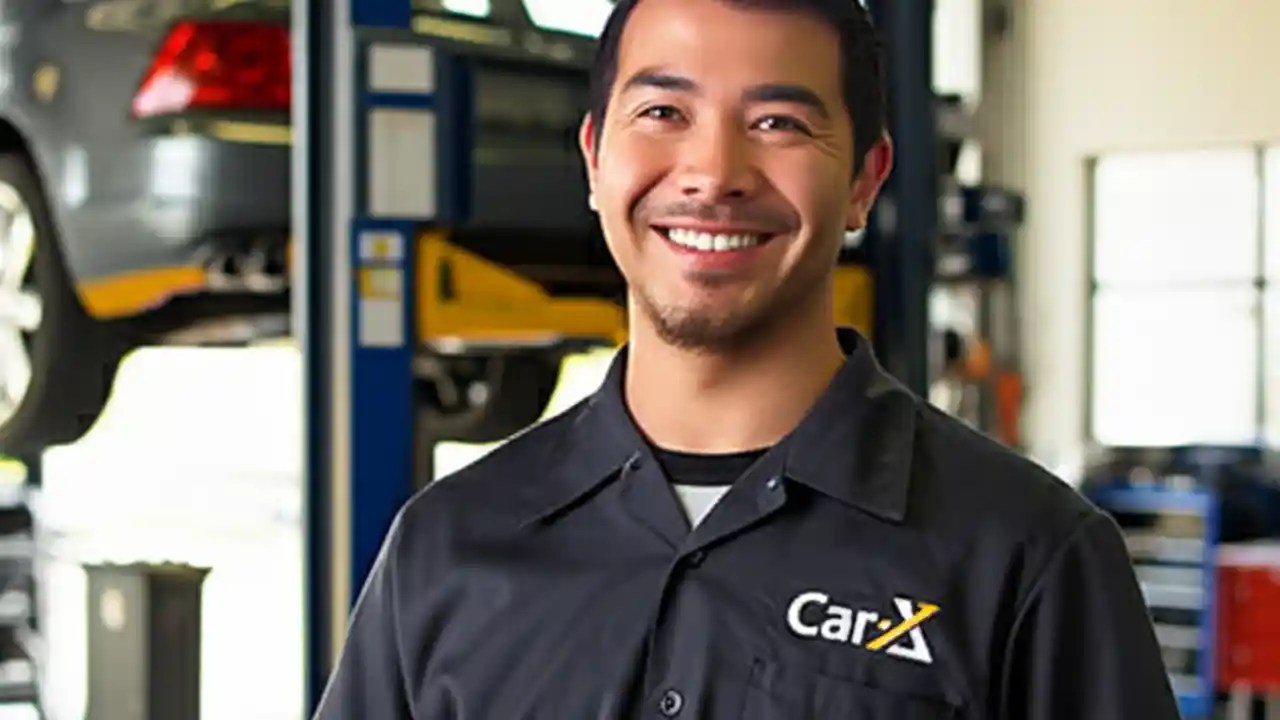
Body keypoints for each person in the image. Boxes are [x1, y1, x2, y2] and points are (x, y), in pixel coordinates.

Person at [313, 0, 1182, 717]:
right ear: (594, 158)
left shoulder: (1025, 557)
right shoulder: (448, 545)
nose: (713, 171)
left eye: (778, 122)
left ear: (866, 181)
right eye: (663, 113)